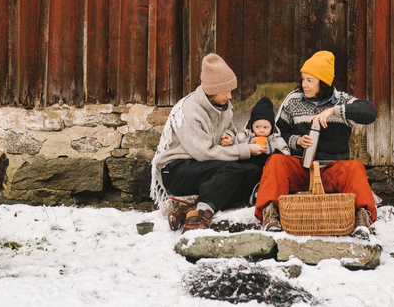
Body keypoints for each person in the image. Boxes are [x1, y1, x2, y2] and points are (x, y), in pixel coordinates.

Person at [253, 50, 379, 240]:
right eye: (303, 79)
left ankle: (362, 217)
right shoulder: (293, 99)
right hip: (300, 166)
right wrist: (296, 141)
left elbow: (370, 112)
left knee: (355, 167)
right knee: (276, 161)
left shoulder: (342, 100)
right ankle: (270, 215)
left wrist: (334, 111)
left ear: (324, 82)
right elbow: (277, 133)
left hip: (331, 170)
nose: (304, 84)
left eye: (310, 80)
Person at [150, 53, 265, 232]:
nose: (230, 96)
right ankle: (199, 215)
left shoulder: (223, 107)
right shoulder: (190, 109)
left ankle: (188, 207)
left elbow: (230, 129)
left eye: (231, 91)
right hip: (177, 170)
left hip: (206, 167)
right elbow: (204, 153)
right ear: (212, 90)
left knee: (253, 171)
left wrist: (229, 137)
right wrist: (245, 150)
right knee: (232, 170)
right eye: (225, 91)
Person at [236, 96, 289, 167]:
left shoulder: (277, 141)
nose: (261, 130)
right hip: (246, 166)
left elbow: (287, 154)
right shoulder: (242, 137)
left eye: (265, 127)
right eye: (257, 127)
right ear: (251, 126)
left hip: (267, 168)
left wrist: (278, 153)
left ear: (272, 128)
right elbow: (235, 150)